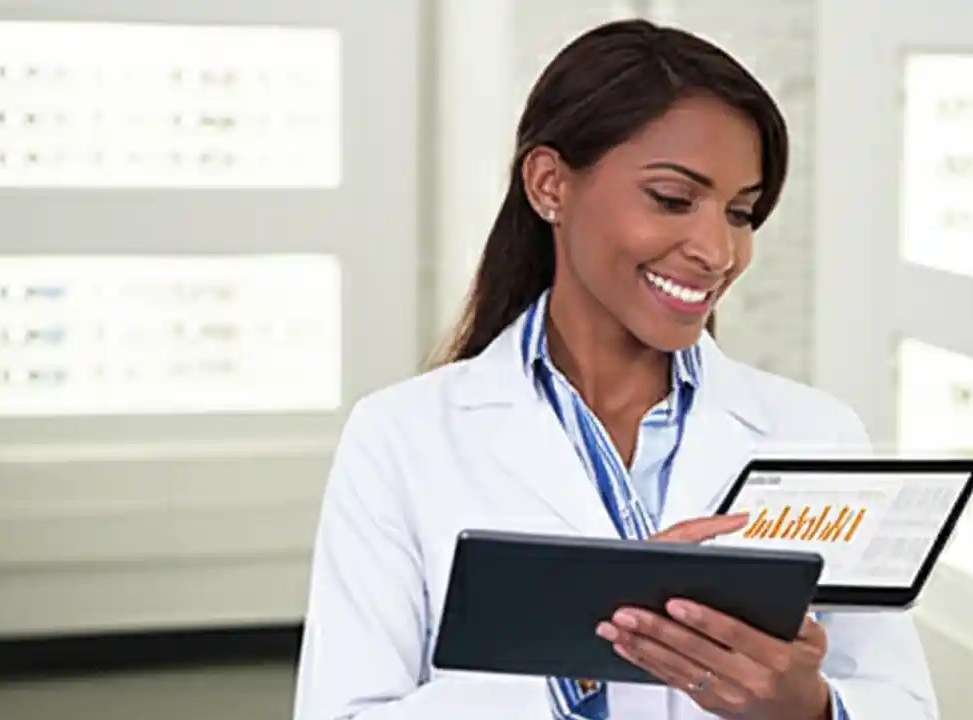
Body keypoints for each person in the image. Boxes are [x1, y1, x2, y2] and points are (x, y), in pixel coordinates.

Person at [292, 18, 938, 720]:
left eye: (742, 213)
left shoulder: (815, 433)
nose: (718, 251)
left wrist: (811, 709)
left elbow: (900, 701)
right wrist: (580, 664)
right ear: (549, 186)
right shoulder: (401, 437)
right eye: (672, 200)